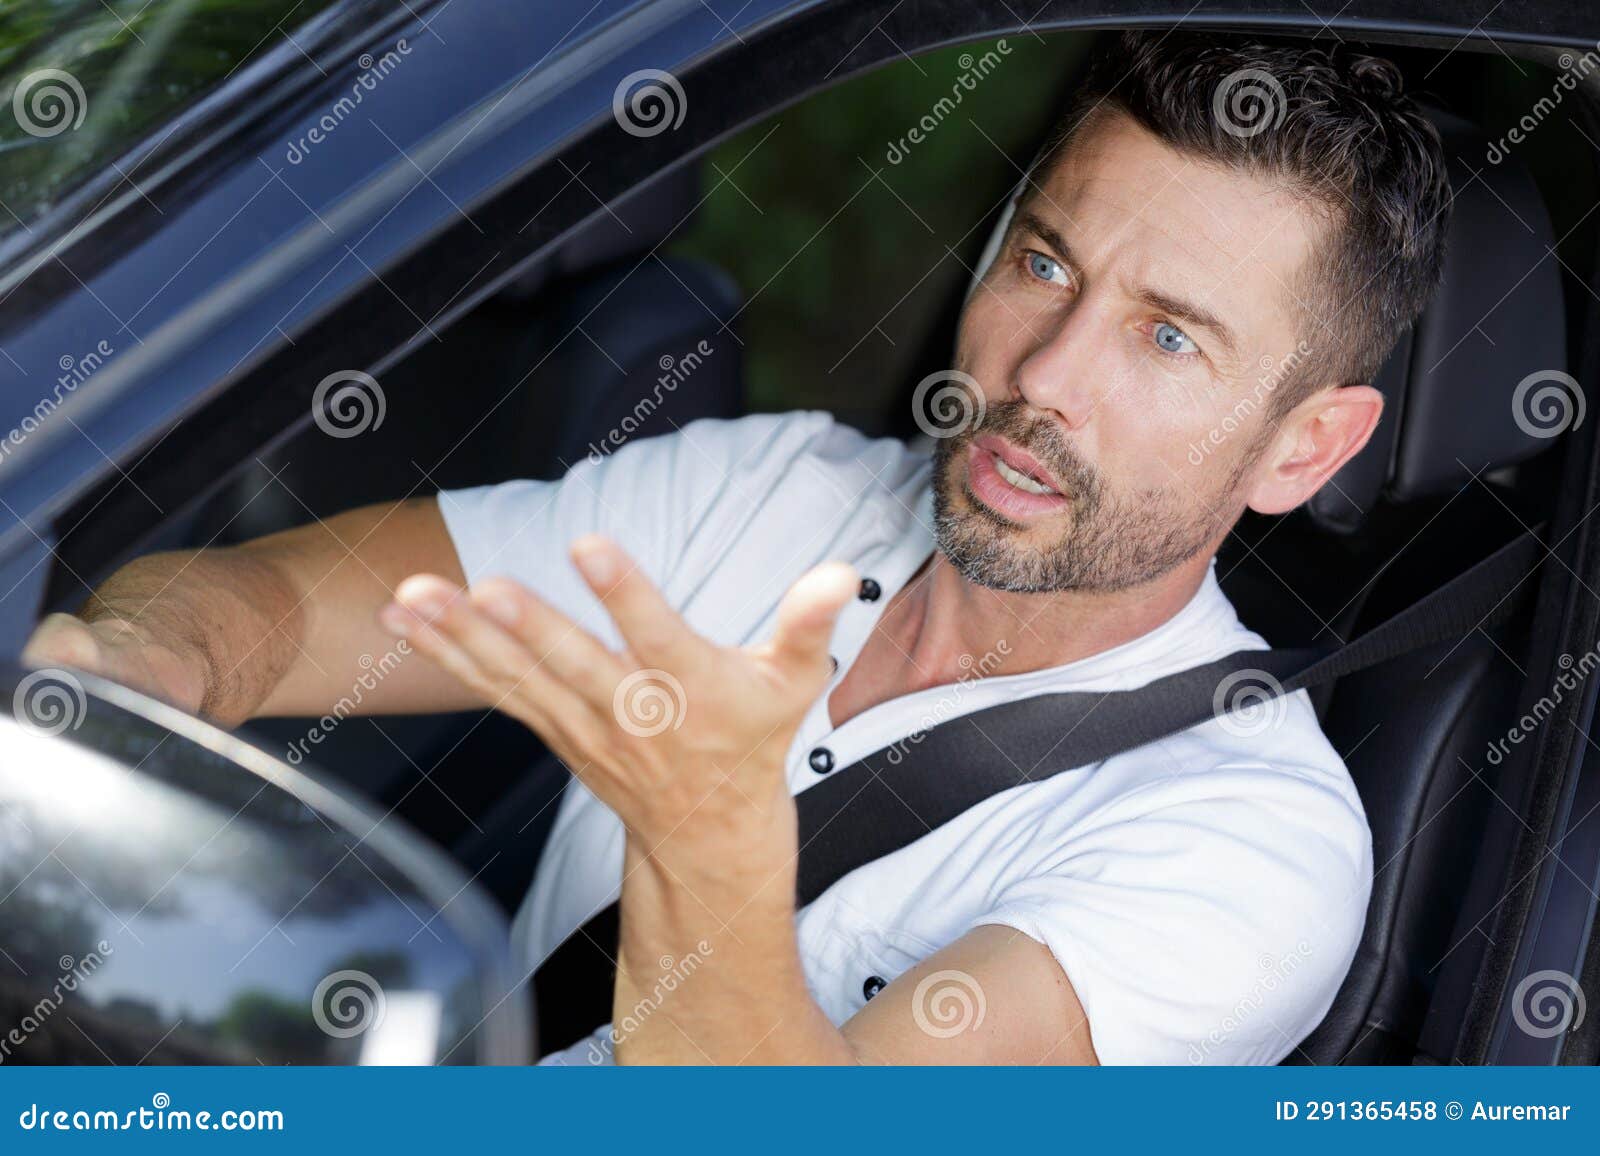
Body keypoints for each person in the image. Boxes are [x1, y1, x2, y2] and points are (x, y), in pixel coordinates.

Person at [22, 30, 1451, 1065]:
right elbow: (281, 602)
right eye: (1044, 264)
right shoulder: (775, 489)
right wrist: (122, 670)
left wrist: (707, 841)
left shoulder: (1252, 851)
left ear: (1303, 448)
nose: (1046, 372)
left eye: (1166, 336)